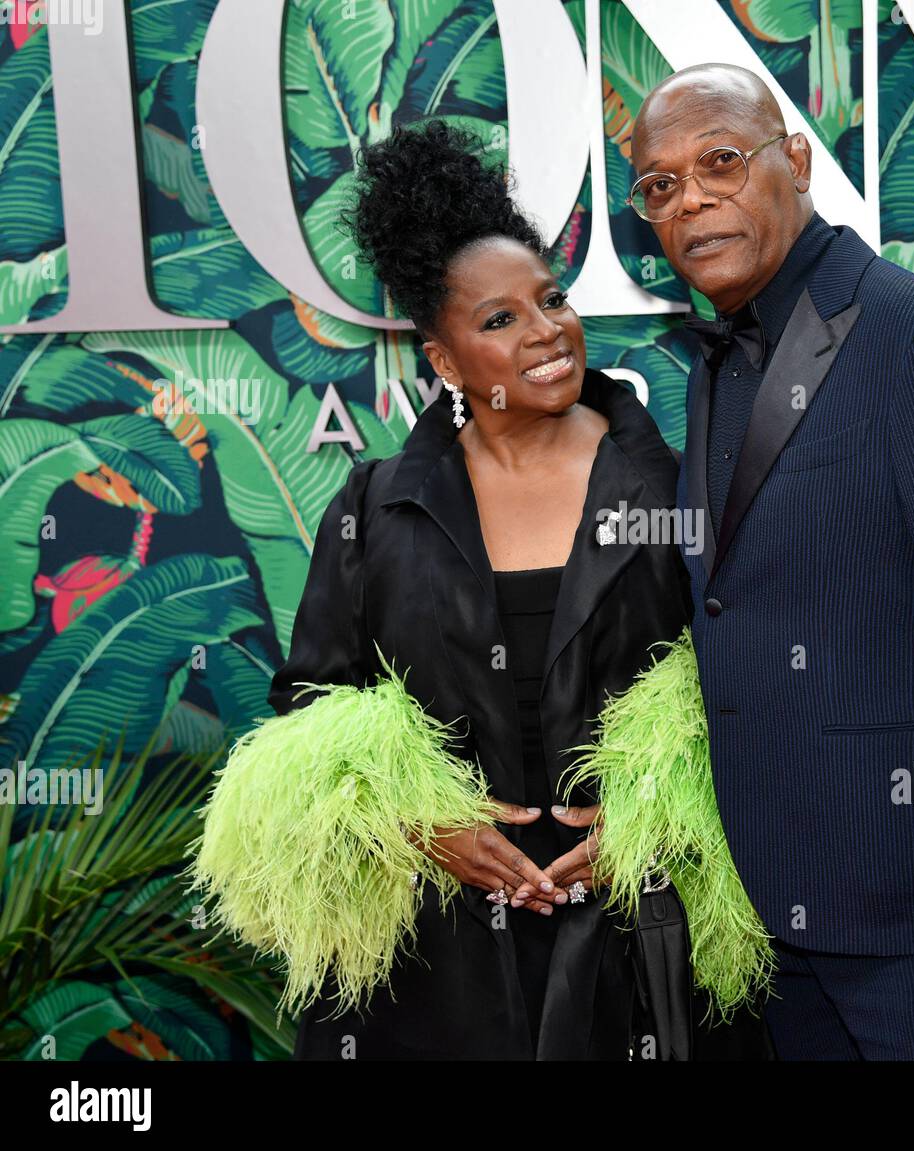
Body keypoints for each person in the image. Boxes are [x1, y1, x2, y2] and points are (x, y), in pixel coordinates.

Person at [192, 119, 769, 1059]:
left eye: (550, 299)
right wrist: (421, 826)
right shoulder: (379, 506)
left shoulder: (683, 484)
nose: (545, 332)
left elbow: (751, 689)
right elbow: (310, 703)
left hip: (636, 950)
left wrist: (657, 816)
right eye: (500, 320)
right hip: (437, 962)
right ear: (446, 360)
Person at [628, 63, 914, 1060]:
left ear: (794, 161)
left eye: (719, 160)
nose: (691, 197)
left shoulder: (911, 336)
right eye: (658, 185)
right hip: (788, 922)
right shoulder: (728, 352)